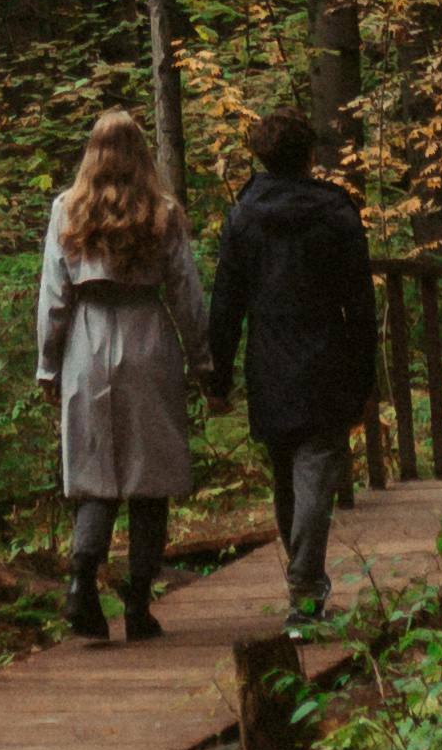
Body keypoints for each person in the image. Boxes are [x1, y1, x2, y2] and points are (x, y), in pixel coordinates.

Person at [34, 105, 208, 642]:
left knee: (95, 475)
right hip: (147, 340)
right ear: (140, 154)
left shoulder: (68, 209)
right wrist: (202, 357)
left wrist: (47, 363)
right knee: (148, 478)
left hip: (87, 339)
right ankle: (137, 603)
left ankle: (81, 587)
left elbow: (54, 296)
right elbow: (185, 290)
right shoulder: (162, 211)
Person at [207, 105, 377, 636]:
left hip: (270, 360)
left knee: (290, 474)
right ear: (308, 155)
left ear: (262, 153)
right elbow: (361, 301)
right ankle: (304, 593)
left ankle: (304, 587)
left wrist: (217, 376)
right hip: (327, 355)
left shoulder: (243, 217)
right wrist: (366, 372)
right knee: (310, 475)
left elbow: (226, 301)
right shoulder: (337, 212)